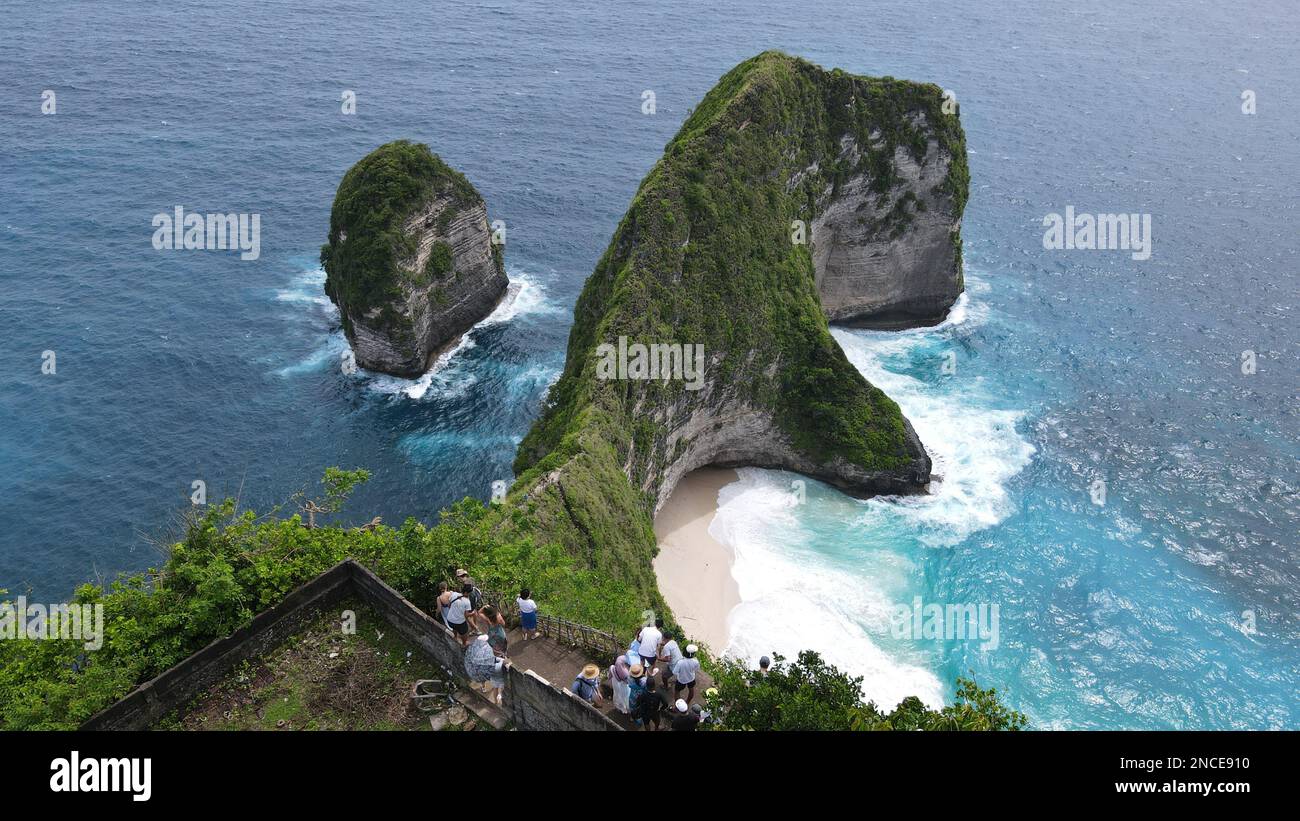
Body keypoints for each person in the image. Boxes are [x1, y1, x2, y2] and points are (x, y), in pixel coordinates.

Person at [464, 634, 505, 705]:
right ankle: (496, 700)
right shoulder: (485, 650)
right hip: (489, 672)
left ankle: (483, 687)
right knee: (496, 685)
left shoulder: (474, 649)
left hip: (477, 672)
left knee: (482, 679)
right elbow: (493, 659)